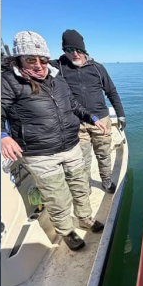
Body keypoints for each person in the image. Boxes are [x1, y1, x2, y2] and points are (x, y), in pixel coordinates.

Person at [1, 30, 109, 251]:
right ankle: (67, 231)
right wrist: (2, 136)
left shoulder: (56, 77)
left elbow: (73, 105)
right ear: (19, 59)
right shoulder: (9, 81)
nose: (39, 65)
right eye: (31, 59)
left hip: (71, 146)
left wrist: (91, 117)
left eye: (42, 59)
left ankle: (85, 218)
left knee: (81, 187)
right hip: (40, 154)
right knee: (57, 196)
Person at [56, 29, 126, 193]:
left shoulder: (97, 68)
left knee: (104, 153)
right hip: (76, 122)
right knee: (82, 158)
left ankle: (106, 180)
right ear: (64, 51)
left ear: (84, 50)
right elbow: (32, 66)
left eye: (78, 50)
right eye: (69, 50)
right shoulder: (58, 68)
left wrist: (121, 114)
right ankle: (85, 184)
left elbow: (112, 92)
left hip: (101, 120)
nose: (74, 54)